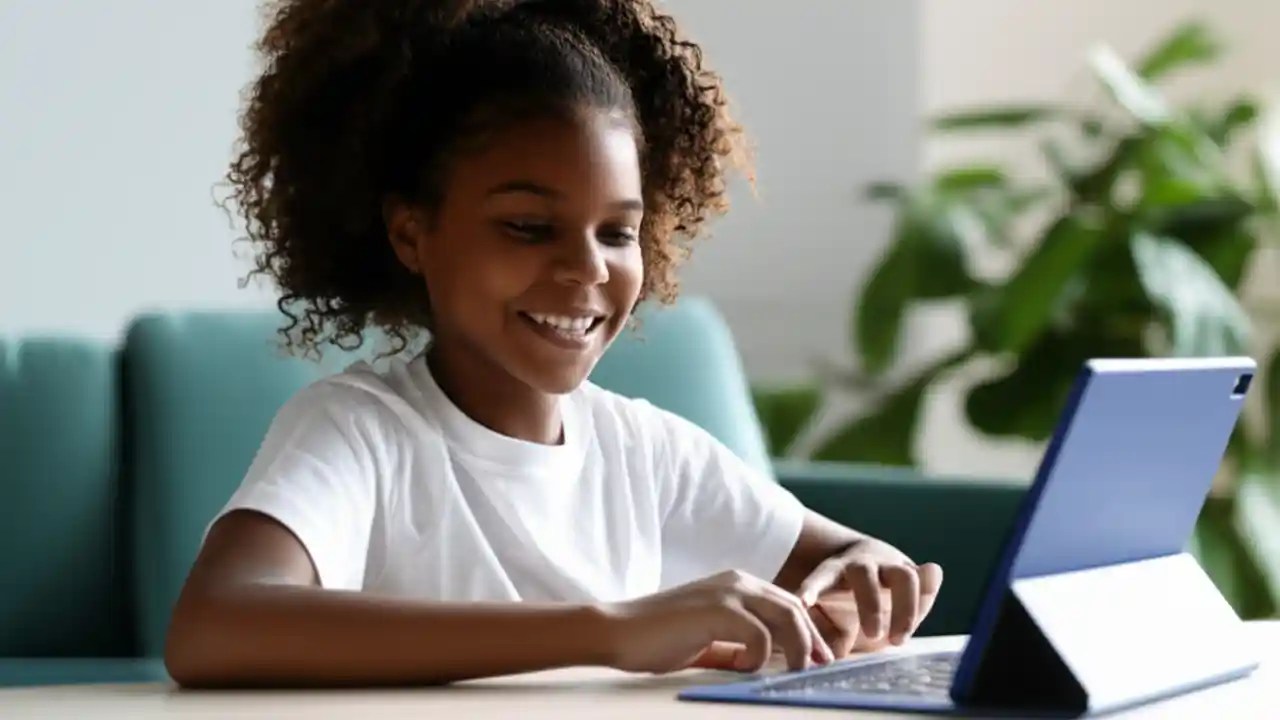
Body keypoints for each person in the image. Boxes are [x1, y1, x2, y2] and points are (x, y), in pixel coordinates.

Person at [164, 0, 944, 689]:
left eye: (617, 232)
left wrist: (866, 570)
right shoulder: (361, 431)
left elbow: (842, 558)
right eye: (529, 228)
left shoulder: (647, 453)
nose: (586, 268)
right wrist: (612, 631)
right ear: (412, 232)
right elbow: (213, 628)